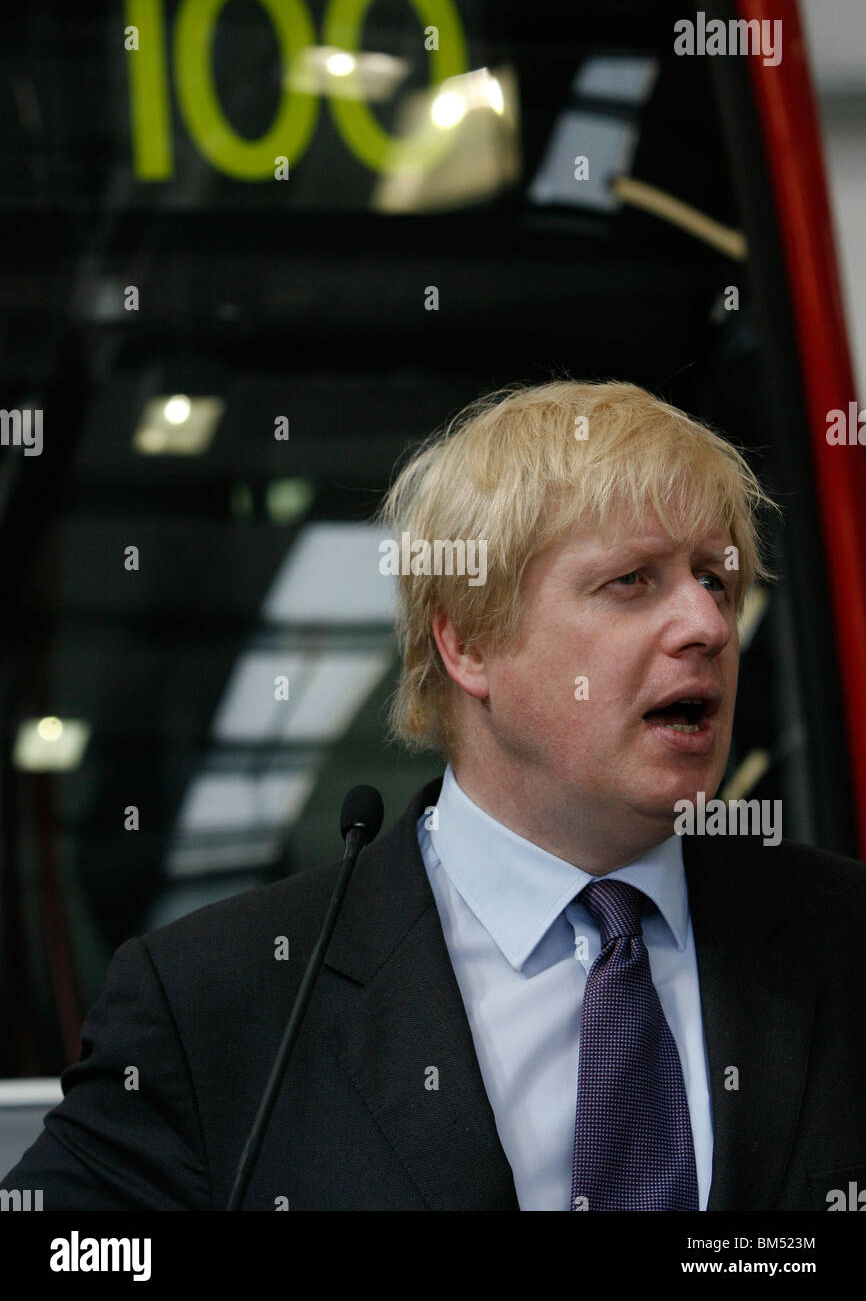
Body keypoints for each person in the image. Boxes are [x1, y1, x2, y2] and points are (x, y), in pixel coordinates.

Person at [3, 379, 865, 1210]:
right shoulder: (218, 1003)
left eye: (714, 579)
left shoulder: (843, 940)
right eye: (632, 581)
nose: (708, 625)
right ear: (469, 643)